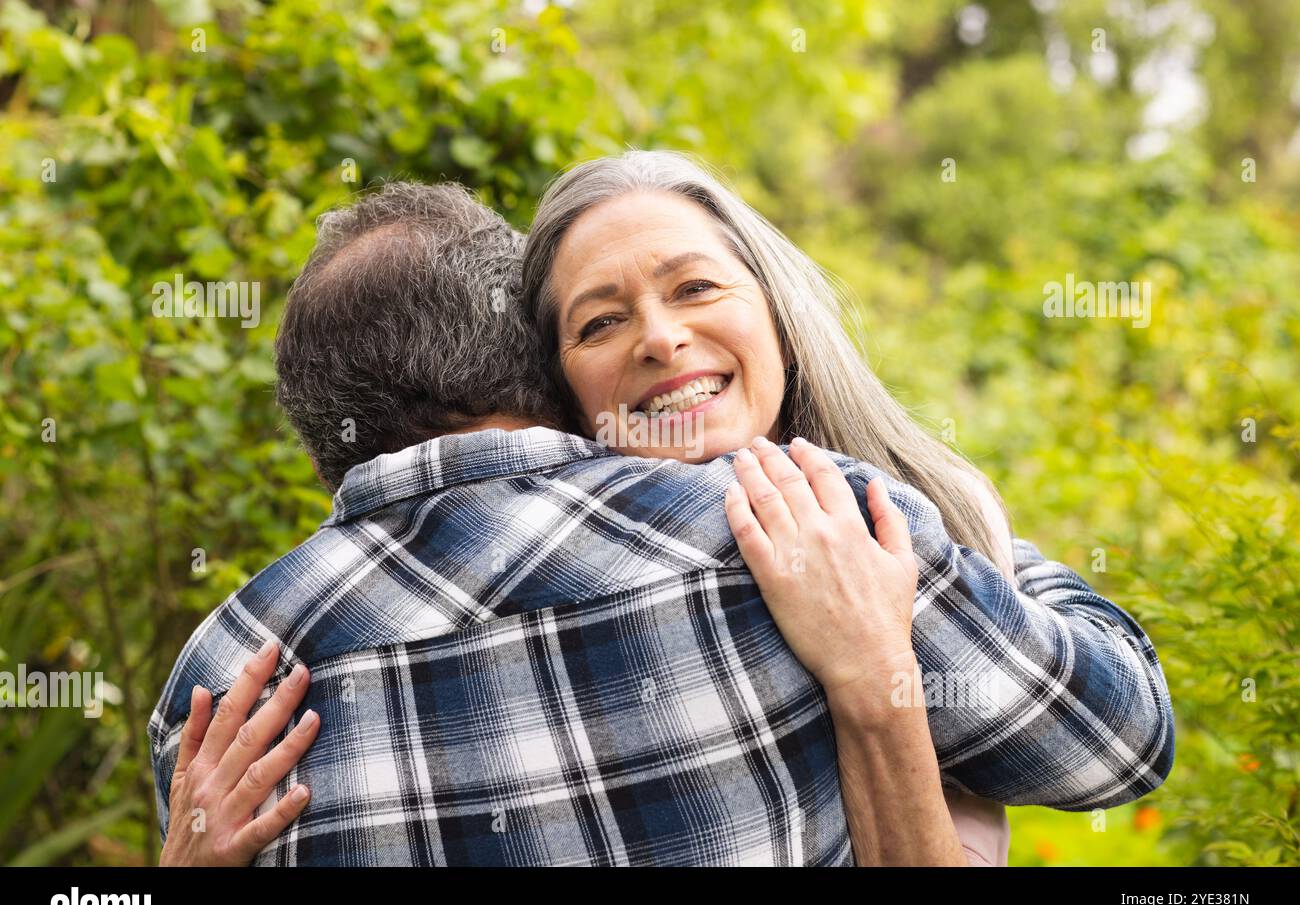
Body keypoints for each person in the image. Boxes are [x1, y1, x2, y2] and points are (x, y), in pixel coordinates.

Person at [150, 178, 1172, 866]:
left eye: (695, 287)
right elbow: (1118, 751)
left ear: (321, 432)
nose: (662, 339)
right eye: (600, 320)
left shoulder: (220, 680)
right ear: (537, 365)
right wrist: (988, 541)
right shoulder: (807, 536)